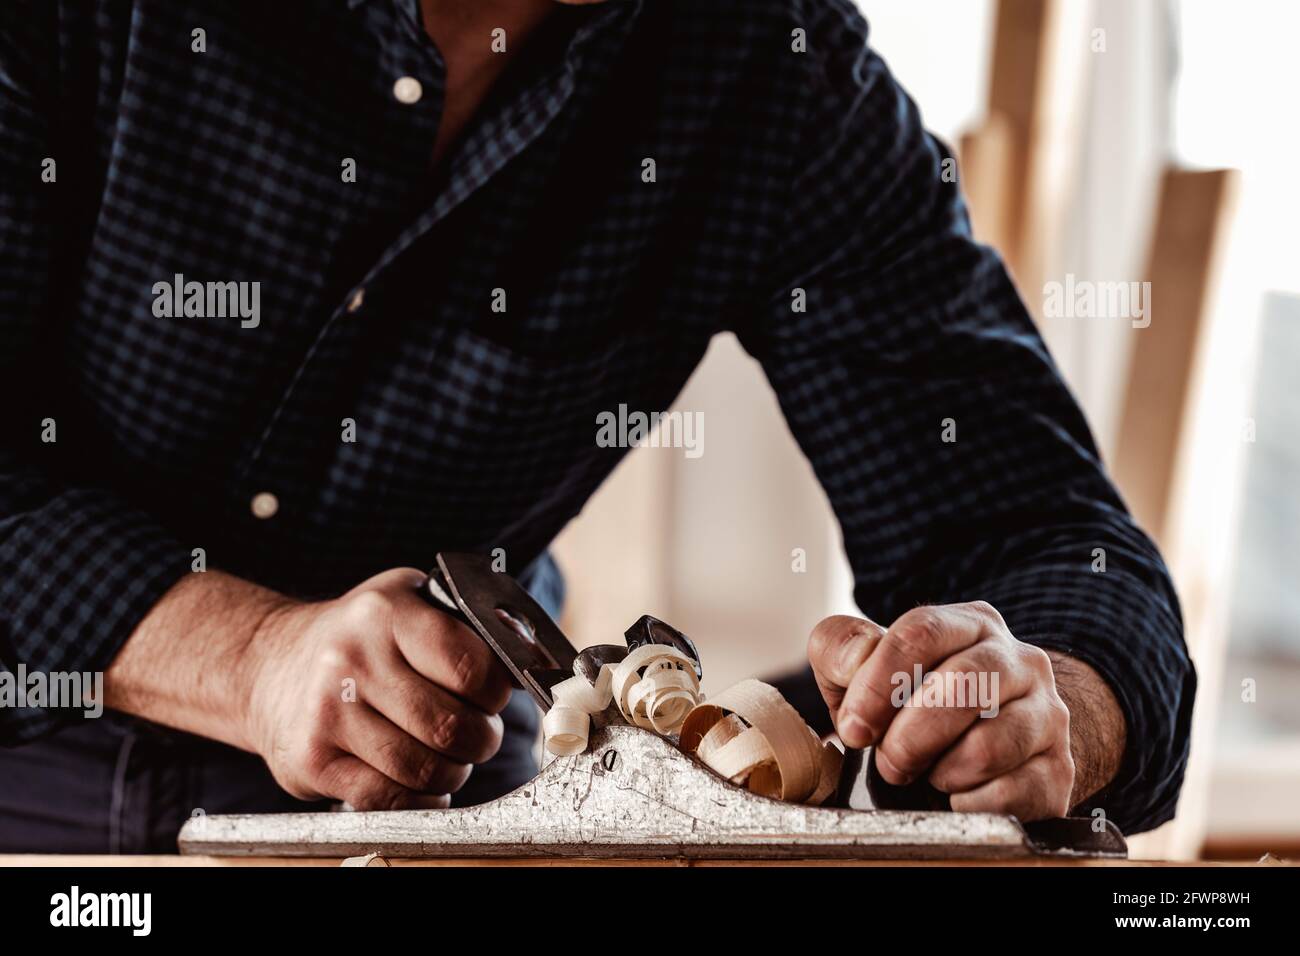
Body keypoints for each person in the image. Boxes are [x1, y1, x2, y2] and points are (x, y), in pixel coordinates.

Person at [0, 0, 1194, 852]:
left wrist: (1056, 709)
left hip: (447, 806)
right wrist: (252, 655)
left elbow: (1042, 530)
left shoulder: (766, 65)